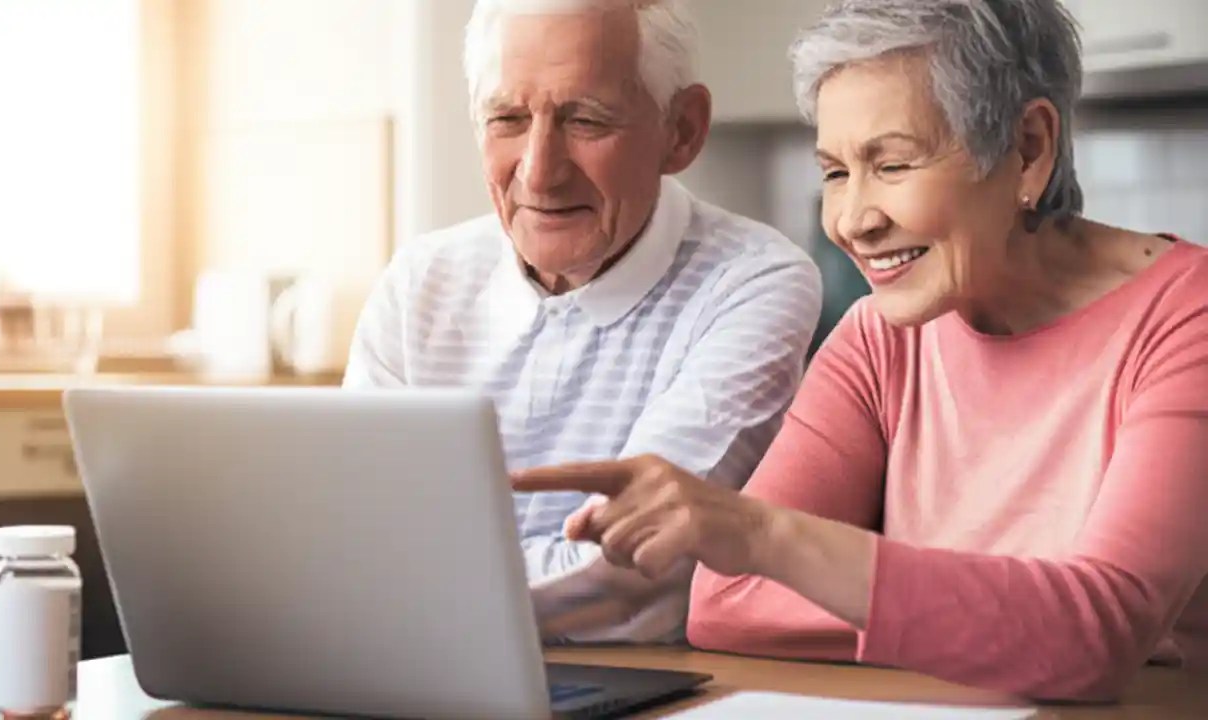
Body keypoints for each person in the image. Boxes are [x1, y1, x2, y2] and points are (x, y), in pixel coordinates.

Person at [513, 0, 1208, 699]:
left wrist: (770, 538)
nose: (852, 220)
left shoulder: (1185, 319)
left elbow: (1091, 639)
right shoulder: (879, 338)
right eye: (836, 172)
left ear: (1027, 148)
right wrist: (1026, 622)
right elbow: (727, 606)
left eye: (894, 164)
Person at [344, 0, 820, 642]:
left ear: (681, 130)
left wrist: (396, 585)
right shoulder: (419, 282)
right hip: (412, 663)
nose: (539, 172)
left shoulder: (753, 281)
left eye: (586, 120)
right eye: (508, 118)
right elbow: (358, 539)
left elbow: (628, 578)